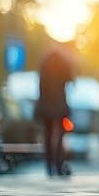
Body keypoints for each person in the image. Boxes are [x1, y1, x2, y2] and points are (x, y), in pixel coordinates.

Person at [35, 44, 75, 176]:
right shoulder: (63, 62)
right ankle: (58, 164)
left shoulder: (44, 62)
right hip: (59, 105)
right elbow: (71, 79)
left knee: (47, 134)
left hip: (46, 105)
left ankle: (49, 165)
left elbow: (40, 84)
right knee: (59, 135)